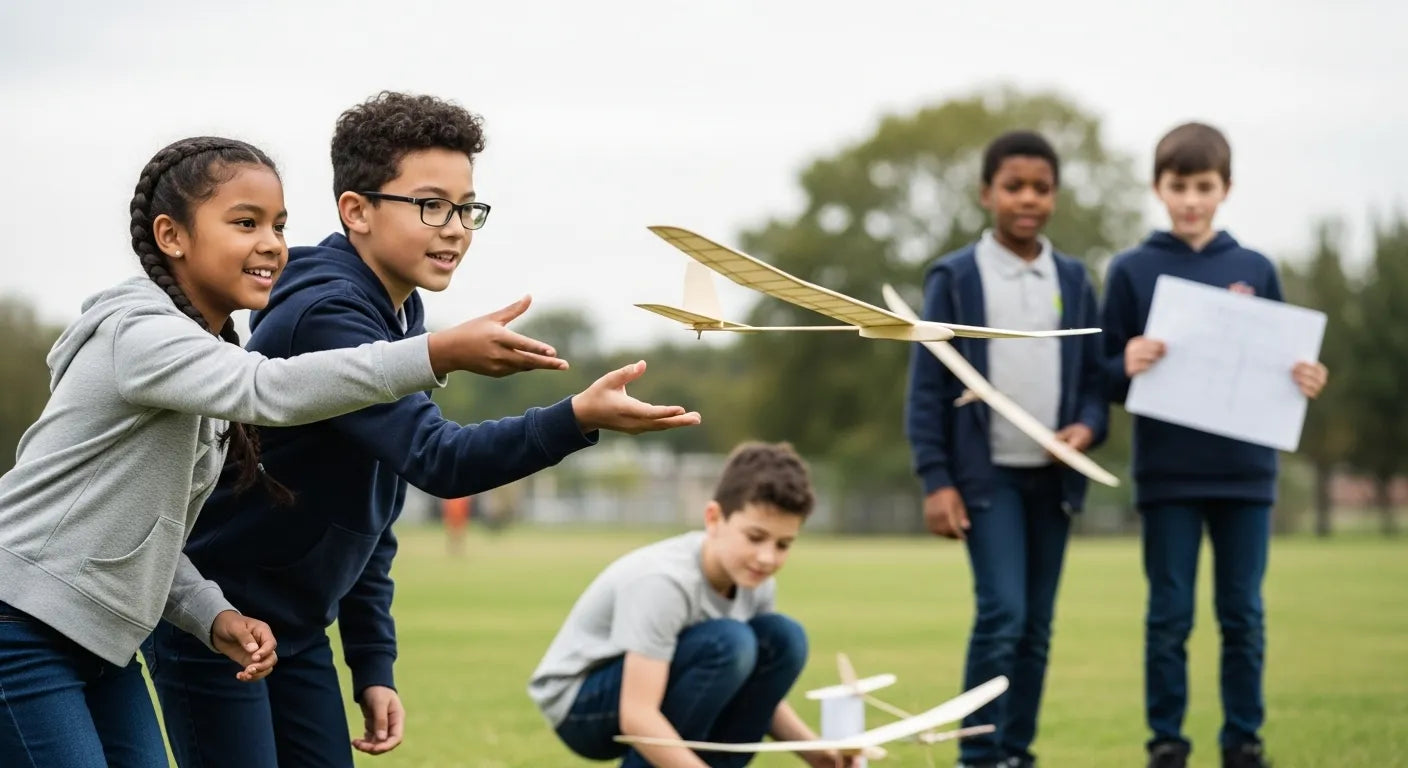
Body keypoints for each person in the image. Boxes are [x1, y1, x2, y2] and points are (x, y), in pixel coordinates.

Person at [145, 91, 700, 768]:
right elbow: (440, 461)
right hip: (215, 619)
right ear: (357, 210)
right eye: (431, 205)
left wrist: (373, 661)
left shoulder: (394, 313)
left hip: (294, 626)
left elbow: (370, 508)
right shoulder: (327, 314)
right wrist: (574, 418)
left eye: (467, 209)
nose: (456, 228)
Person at [0, 135, 560, 767]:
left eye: (279, 225)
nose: (273, 242)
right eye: (246, 223)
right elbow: (268, 388)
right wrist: (436, 354)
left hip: (103, 642)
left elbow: (154, 538)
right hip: (18, 626)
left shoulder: (204, 364)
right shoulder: (142, 334)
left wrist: (213, 615)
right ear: (171, 235)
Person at [1100, 122, 1329, 768]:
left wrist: (1306, 376)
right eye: (1179, 186)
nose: (1191, 199)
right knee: (1169, 618)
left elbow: (1289, 360)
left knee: (1243, 617)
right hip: (1168, 477)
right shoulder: (1131, 270)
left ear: (1226, 188)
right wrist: (1126, 363)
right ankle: (1167, 743)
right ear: (1158, 187)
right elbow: (1101, 371)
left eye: (1204, 186)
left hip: (1245, 476)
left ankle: (1243, 743)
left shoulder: (1254, 268)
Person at [903, 129, 1108, 768]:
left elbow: (1095, 381)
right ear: (987, 192)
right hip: (986, 480)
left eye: (1041, 188)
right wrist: (937, 479)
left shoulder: (1072, 279)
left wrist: (1088, 427)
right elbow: (927, 387)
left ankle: (1017, 753)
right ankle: (978, 756)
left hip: (1053, 484)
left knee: (1037, 630)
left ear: (1055, 196)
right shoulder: (956, 278)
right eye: (1014, 186)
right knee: (1002, 615)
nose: (1028, 199)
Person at [528, 442, 856, 768]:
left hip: (655, 687)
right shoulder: (664, 582)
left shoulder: (756, 581)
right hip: (581, 706)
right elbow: (637, 715)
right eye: (755, 537)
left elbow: (758, 695)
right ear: (713, 519)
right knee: (728, 643)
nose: (767, 557)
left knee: (784, 639)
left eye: (783, 544)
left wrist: (817, 752)